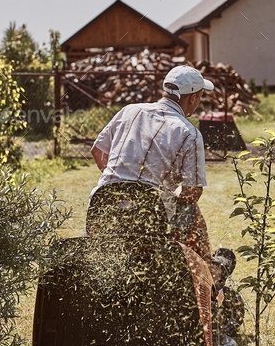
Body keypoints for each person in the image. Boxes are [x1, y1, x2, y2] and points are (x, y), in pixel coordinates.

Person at [89, 65, 215, 262]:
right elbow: (192, 193)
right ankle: (209, 272)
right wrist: (173, 193)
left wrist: (121, 182)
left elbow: (98, 152)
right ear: (192, 98)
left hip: (102, 206)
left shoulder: (129, 111)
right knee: (192, 210)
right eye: (199, 97)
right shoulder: (189, 133)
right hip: (151, 219)